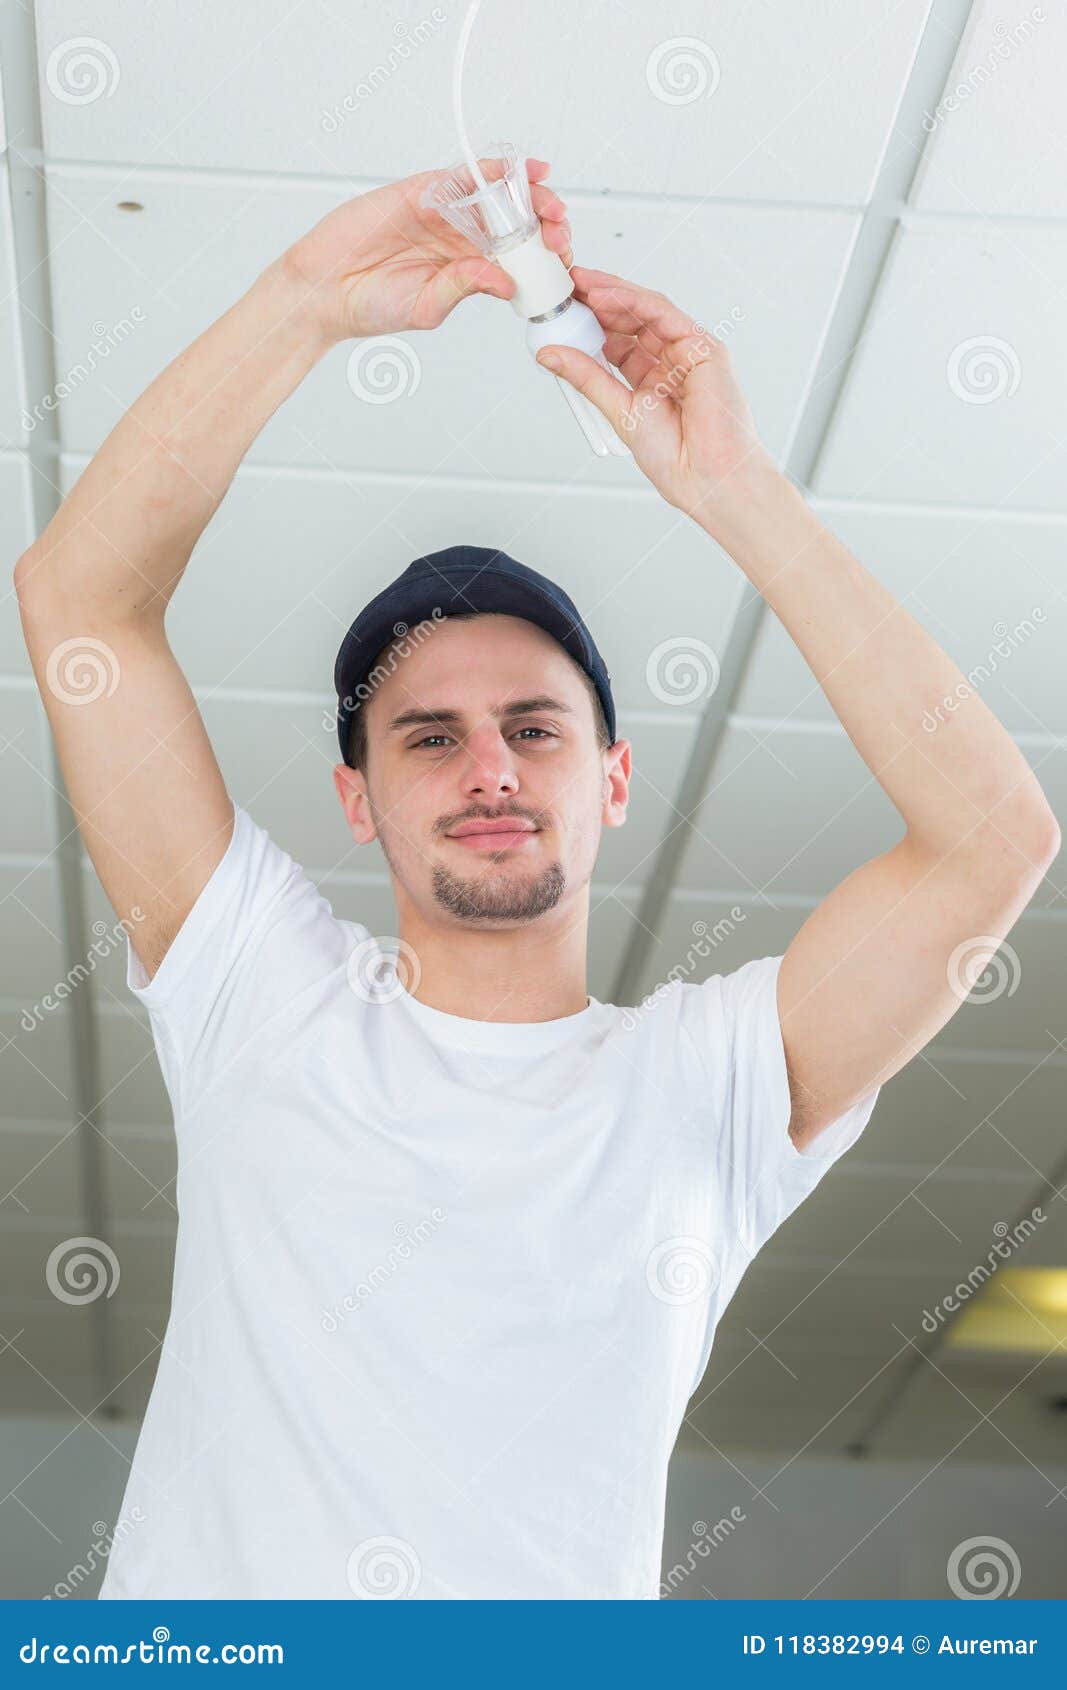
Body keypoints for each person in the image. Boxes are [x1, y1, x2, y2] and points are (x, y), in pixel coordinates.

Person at [14, 158, 1059, 1601]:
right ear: (357, 801)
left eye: (535, 729)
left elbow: (993, 841)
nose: (490, 769)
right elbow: (81, 603)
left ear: (611, 780)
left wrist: (736, 490)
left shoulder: (710, 1081)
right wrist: (303, 305)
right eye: (429, 737)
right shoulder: (261, 998)